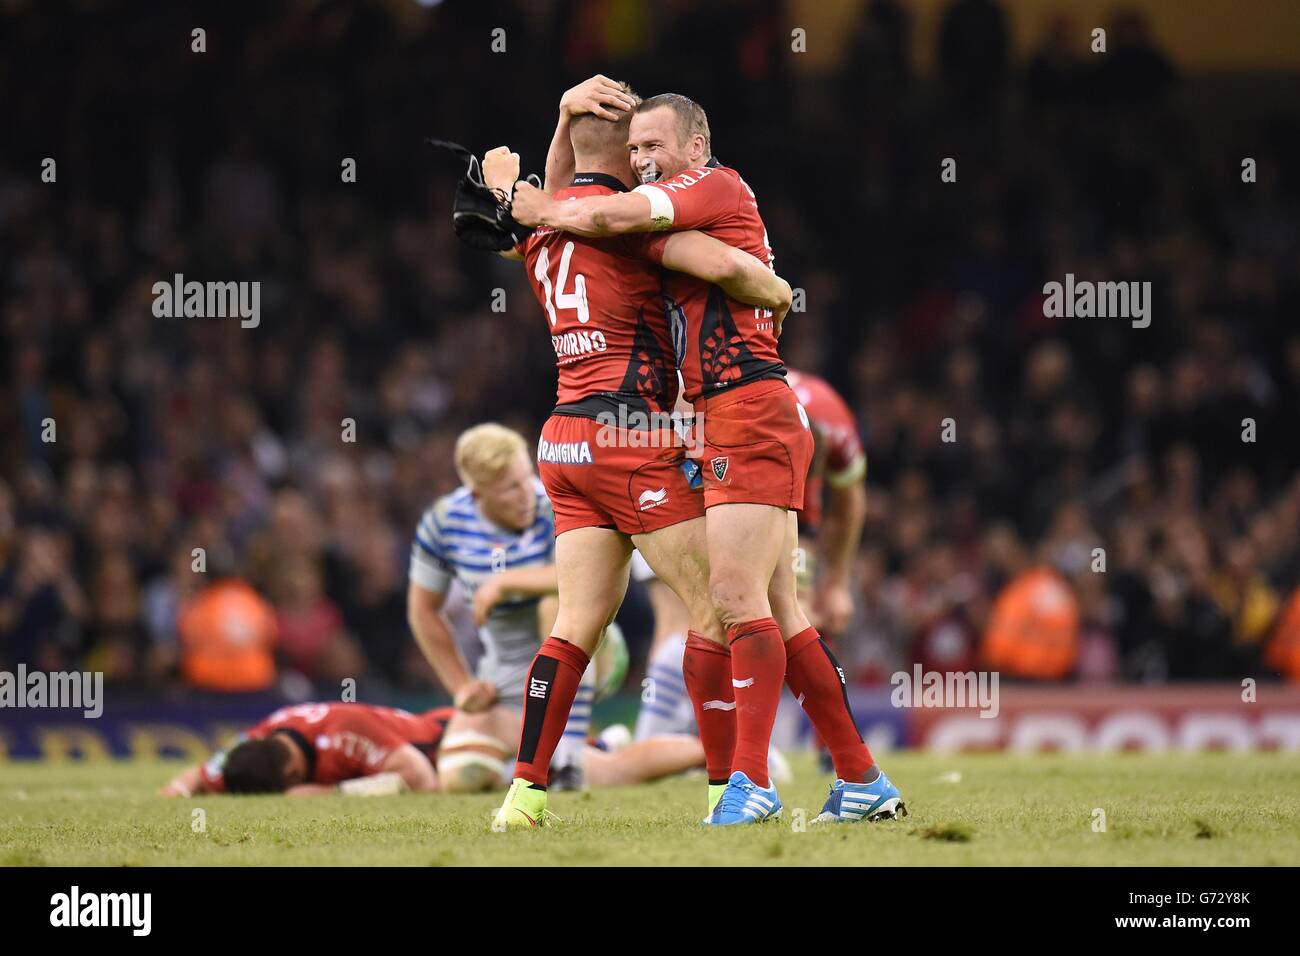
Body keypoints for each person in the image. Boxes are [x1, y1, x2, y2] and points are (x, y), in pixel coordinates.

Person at [510, 86, 904, 825]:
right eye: (633, 151)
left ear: (695, 147)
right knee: (773, 611)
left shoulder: (710, 186)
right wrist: (554, 143)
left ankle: (748, 784)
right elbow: (596, 215)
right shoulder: (655, 220)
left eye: (654, 146)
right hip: (717, 414)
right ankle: (860, 779)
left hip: (751, 407)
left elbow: (602, 211)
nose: (641, 160)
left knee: (730, 600)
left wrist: (531, 205)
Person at [478, 78, 797, 829]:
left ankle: (523, 793)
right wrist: (773, 287)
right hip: (630, 436)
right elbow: (717, 265)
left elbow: (557, 187)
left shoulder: (539, 234)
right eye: (641, 151)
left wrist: (559, 113)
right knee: (718, 609)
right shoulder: (616, 227)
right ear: (625, 156)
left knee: (577, 622)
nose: (652, 168)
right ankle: (729, 788)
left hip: (561, 437)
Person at [159, 699, 706, 797]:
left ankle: (716, 752)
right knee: (592, 760)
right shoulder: (254, 746)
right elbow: (185, 782)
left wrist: (338, 796)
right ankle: (602, 742)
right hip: (459, 743)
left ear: (296, 770)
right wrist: (183, 795)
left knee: (601, 775)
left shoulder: (343, 730)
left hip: (463, 736)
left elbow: (419, 780)